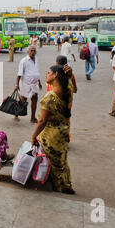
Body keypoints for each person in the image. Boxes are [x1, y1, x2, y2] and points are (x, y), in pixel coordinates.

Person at [30, 65, 74, 194]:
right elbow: (69, 83)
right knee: (62, 160)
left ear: (55, 75)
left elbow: (42, 121)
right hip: (63, 133)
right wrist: (69, 75)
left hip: (51, 136)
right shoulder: (68, 90)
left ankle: (59, 187)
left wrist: (33, 136)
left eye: (48, 72)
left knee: (54, 163)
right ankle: (66, 184)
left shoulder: (50, 97)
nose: (46, 74)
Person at [15, 45, 42, 123]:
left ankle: (32, 118)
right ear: (28, 52)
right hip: (25, 84)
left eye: (34, 50)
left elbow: (36, 71)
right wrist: (17, 85)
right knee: (23, 101)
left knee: (35, 99)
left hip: (34, 84)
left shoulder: (36, 59)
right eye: (31, 50)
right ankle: (16, 114)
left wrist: (39, 82)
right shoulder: (24, 61)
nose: (33, 52)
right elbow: (19, 74)